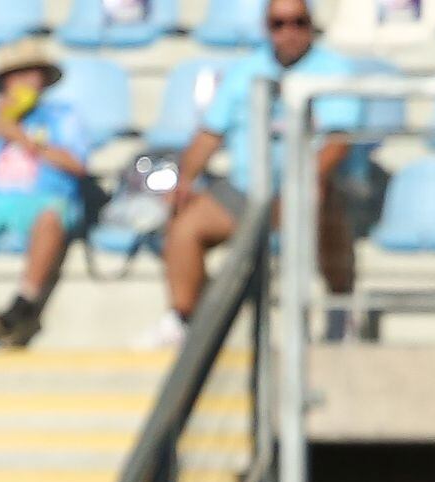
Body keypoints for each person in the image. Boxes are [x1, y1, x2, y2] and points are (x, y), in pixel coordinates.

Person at [154, 0, 361, 348]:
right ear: (267, 28)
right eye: (279, 24)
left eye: (298, 22)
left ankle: (339, 311)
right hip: (245, 190)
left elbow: (338, 142)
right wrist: (184, 179)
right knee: (184, 225)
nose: (289, 32)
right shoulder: (245, 71)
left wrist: (302, 184)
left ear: (311, 25)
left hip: (304, 188)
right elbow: (210, 133)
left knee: (325, 205)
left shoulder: (333, 70)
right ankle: (183, 319)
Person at [0, 39, 94, 349]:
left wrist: (24, 139)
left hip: (43, 198)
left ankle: (25, 302)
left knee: (50, 218)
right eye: (17, 75)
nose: (24, 81)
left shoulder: (62, 116)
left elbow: (77, 165)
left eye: (31, 74)